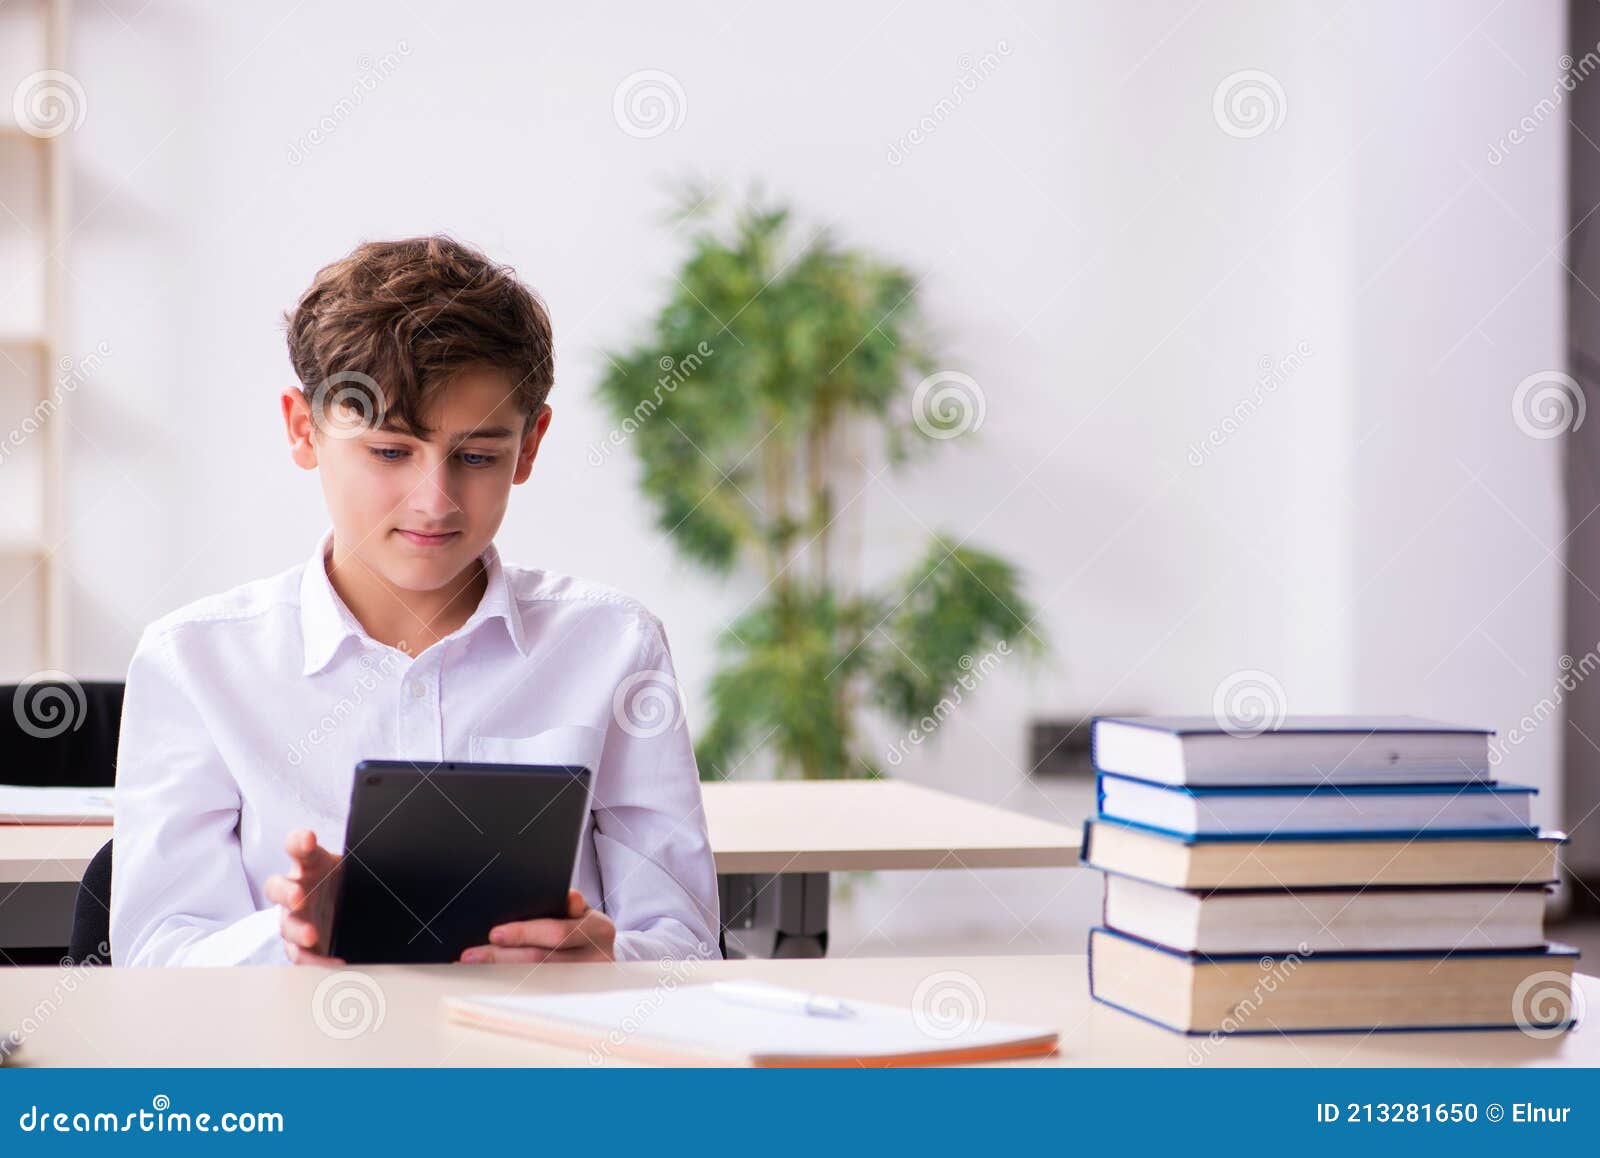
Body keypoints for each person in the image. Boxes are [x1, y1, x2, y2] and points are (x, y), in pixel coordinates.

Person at [109, 236, 720, 967]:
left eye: (477, 457)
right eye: (391, 452)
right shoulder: (197, 660)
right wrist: (297, 936)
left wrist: (610, 966)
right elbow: (154, 957)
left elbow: (685, 945)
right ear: (304, 430)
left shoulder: (614, 646)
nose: (434, 502)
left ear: (529, 446)